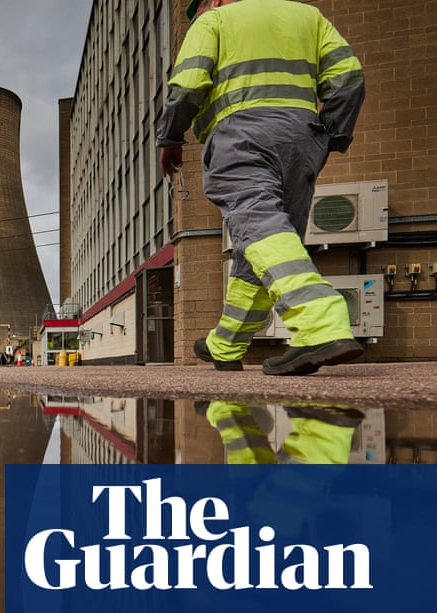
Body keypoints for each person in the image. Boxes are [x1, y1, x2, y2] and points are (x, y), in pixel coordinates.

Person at [156, 0, 366, 376]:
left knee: (257, 226)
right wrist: (330, 138)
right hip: (301, 136)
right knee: (265, 242)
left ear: (215, 1)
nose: (198, 12)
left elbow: (187, 86)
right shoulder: (309, 17)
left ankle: (320, 320)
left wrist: (170, 137)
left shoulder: (214, 21)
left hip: (242, 135)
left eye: (199, 6)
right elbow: (349, 79)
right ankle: (227, 341)